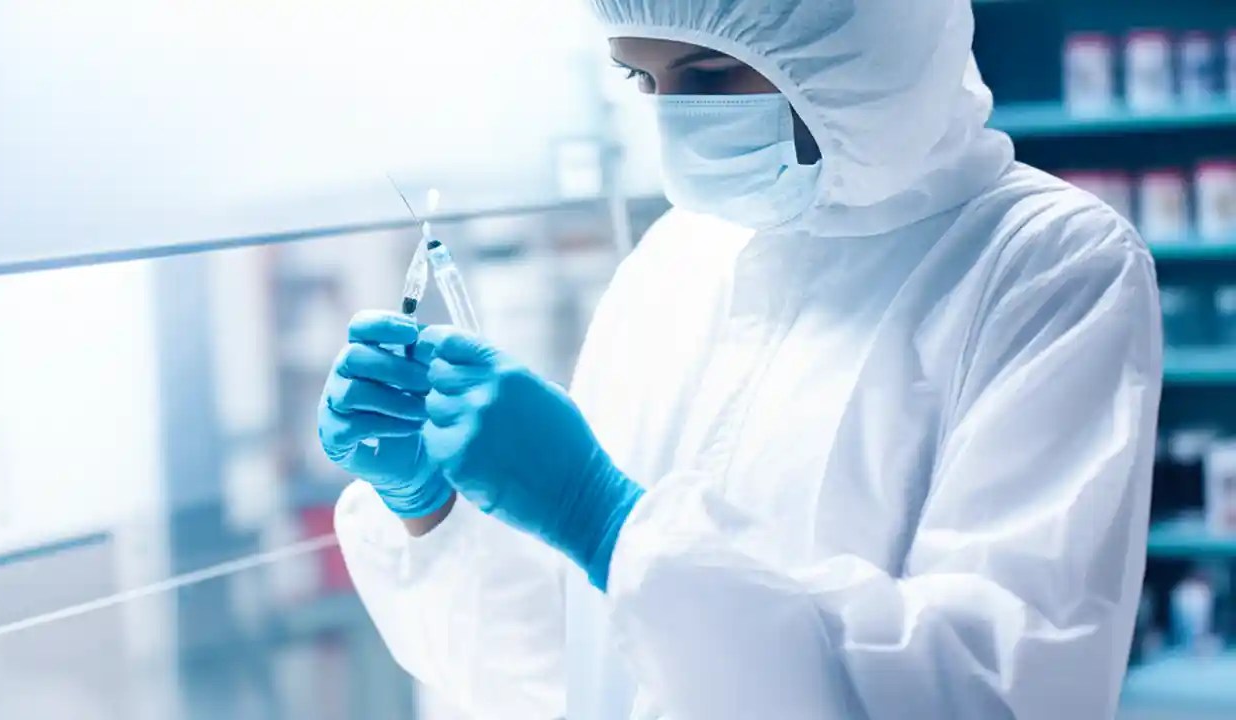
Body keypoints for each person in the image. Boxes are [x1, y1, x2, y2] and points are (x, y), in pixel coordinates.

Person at [319, 1, 1163, 718]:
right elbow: (579, 675)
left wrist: (607, 522)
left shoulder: (1048, 264)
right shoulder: (673, 260)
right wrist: (429, 505)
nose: (676, 121)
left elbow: (985, 689)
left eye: (710, 76)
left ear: (868, 40)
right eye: (642, 80)